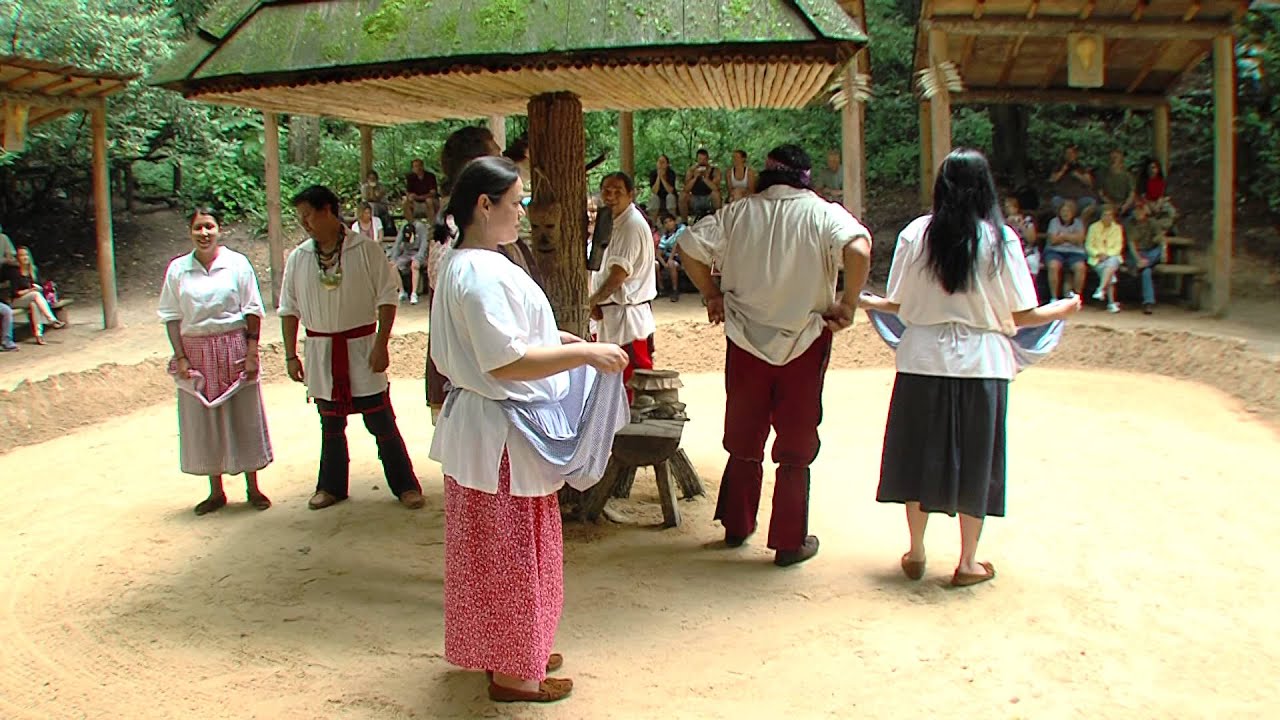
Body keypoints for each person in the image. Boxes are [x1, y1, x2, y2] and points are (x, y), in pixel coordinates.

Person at [429, 156, 630, 704]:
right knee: (512, 552)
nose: (521, 213)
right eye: (515, 203)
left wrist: (563, 341)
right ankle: (516, 671)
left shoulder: (469, 263)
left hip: (486, 429)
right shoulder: (478, 272)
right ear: (484, 205)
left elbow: (512, 339)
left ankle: (513, 648)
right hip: (500, 433)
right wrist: (585, 353)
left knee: (494, 550)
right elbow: (505, 361)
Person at [859, 148, 1082, 587]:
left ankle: (916, 551)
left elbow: (899, 304)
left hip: (922, 359)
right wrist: (1062, 309)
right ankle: (967, 562)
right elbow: (1021, 314)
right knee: (977, 460)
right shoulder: (1000, 240)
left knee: (917, 454)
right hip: (982, 364)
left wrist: (866, 301)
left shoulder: (916, 234)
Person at [677, 144, 873, 567]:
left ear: (765, 175)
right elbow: (858, 250)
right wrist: (849, 303)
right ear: (805, 177)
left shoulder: (738, 213)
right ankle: (788, 541)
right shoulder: (823, 213)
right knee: (796, 441)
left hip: (745, 340)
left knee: (744, 435)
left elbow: (688, 245)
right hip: (805, 340)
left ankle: (737, 524)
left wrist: (712, 294)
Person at [279, 184, 425, 511]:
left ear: (327, 210)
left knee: (381, 421)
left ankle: (405, 485)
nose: (304, 223)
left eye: (308, 215)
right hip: (321, 353)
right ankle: (330, 487)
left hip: (362, 349)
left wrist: (381, 344)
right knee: (330, 424)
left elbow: (387, 298)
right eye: (300, 217)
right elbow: (288, 309)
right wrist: (290, 355)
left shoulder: (366, 250)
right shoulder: (300, 258)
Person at [157, 208, 273, 515]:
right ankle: (216, 491)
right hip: (196, 351)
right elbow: (171, 316)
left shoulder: (237, 264)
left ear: (219, 229)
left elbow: (252, 310)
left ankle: (253, 487)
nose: (204, 233)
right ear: (190, 231)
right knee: (205, 420)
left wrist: (252, 351)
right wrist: (181, 356)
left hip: (233, 346)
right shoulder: (178, 270)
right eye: (198, 227)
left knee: (243, 415)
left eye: (209, 226)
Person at [587, 172, 657, 399]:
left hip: (627, 318)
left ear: (630, 195)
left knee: (632, 383)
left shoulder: (631, 225)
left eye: (618, 191)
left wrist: (591, 302)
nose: (611, 196)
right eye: (607, 191)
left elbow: (618, 275)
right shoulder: (611, 221)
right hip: (612, 314)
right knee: (612, 384)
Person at [4, 247, 64, 345]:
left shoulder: (33, 270)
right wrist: (30, 290)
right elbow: (15, 293)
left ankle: (38, 335)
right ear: (18, 258)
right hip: (17, 300)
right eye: (22, 255)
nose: (25, 257)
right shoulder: (15, 272)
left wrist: (38, 288)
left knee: (34, 305)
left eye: (26, 255)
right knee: (35, 295)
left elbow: (40, 285)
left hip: (32, 298)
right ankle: (51, 320)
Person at [1043, 200, 1087, 301]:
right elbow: (1053, 240)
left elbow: (1079, 240)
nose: (1065, 213)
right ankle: (1054, 297)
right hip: (1055, 251)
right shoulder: (1054, 222)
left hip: (1075, 252)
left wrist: (1062, 236)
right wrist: (1071, 237)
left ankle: (1076, 297)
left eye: (1068, 211)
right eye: (1063, 211)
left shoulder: (1078, 223)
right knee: (1053, 266)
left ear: (1073, 213)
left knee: (1080, 267)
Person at [1125, 202, 1163, 314]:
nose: (1138, 212)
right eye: (1136, 210)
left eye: (1141, 210)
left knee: (1157, 252)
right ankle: (1148, 302)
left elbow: (1161, 238)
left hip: (1149, 253)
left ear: (1145, 211)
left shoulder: (1152, 222)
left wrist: (1163, 247)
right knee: (1146, 271)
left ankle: (1141, 266)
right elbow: (1131, 245)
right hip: (1136, 254)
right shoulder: (1129, 223)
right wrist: (1139, 260)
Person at [1086, 204, 1125, 313]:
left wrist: (1107, 255)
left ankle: (1101, 289)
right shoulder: (1093, 227)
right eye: (1105, 215)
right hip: (1097, 259)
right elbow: (1089, 245)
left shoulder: (1118, 228)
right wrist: (1098, 254)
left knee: (1111, 263)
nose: (1107, 217)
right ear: (1101, 216)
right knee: (1109, 274)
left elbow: (1118, 247)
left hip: (1113, 256)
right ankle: (1111, 303)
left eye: (1110, 215)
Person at [1048, 145, 1097, 217]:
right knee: (1055, 200)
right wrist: (1062, 171)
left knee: (1090, 202)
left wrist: (1078, 176)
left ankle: (1081, 222)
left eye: (1071, 153)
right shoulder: (1059, 166)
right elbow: (1052, 180)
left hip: (1079, 199)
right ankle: (1062, 221)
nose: (1069, 156)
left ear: (1075, 155)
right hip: (1063, 198)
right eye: (1067, 153)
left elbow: (1090, 183)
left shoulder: (1081, 167)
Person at [390, 220, 427, 305]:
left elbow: (424, 244)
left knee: (414, 265)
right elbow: (397, 243)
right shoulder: (404, 226)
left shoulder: (421, 227)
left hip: (418, 253)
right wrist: (393, 258)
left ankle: (414, 293)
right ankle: (401, 291)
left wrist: (418, 258)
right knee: (393, 266)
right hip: (406, 253)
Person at [1003, 196, 1040, 279]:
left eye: (1009, 207)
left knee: (1031, 261)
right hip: (1009, 251)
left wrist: (1021, 226)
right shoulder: (1002, 221)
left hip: (1027, 251)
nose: (1007, 209)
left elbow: (1032, 240)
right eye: (1005, 207)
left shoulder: (1026, 220)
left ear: (1016, 208)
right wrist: (1007, 224)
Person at [681, 149, 721, 220]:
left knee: (716, 194)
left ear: (708, 159)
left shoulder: (715, 171)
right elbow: (686, 189)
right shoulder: (691, 171)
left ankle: (719, 219)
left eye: (704, 159)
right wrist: (695, 178)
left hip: (709, 198)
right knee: (683, 195)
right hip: (695, 198)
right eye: (700, 159)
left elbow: (715, 188)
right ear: (697, 160)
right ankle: (684, 221)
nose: (702, 162)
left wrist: (705, 178)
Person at [1096, 149, 1136, 216]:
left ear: (1121, 160)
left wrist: (1125, 206)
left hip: (1125, 205)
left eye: (1115, 158)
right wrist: (1112, 204)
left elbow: (1131, 194)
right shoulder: (1102, 174)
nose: (1113, 160)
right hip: (1109, 204)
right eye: (1111, 158)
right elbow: (1101, 193)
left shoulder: (1128, 175)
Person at [655, 213, 685, 301]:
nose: (669, 224)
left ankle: (675, 290)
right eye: (666, 222)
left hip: (681, 256)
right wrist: (664, 264)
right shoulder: (664, 237)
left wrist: (670, 259)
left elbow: (677, 245)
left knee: (671, 264)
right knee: (655, 264)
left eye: (670, 221)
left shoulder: (682, 229)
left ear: (675, 221)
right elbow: (658, 253)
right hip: (667, 257)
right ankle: (661, 289)